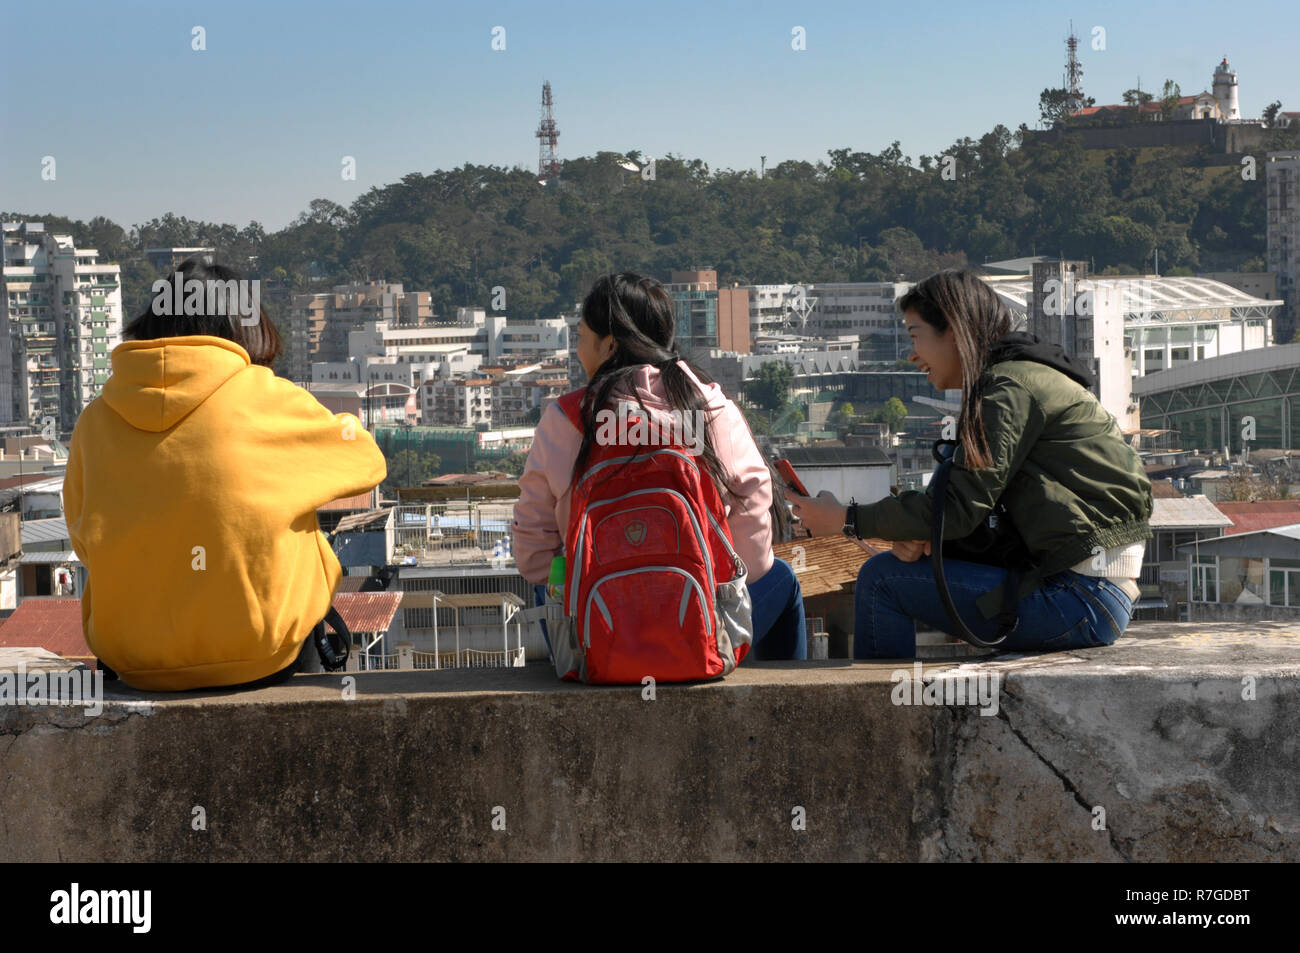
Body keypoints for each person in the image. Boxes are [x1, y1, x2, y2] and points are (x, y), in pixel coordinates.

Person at [790, 268, 1152, 658]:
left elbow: (958, 510)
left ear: (954, 331)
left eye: (915, 336)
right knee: (893, 573)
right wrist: (926, 536)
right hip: (1088, 589)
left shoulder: (1007, 390)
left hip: (1081, 596)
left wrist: (846, 519)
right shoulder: (1018, 379)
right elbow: (976, 508)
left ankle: (882, 712)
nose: (912, 355)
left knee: (883, 580)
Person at [63, 257, 386, 690]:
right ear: (244, 328)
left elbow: (83, 537)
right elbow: (367, 461)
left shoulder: (94, 421)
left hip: (131, 663)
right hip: (263, 657)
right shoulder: (268, 399)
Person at [512, 272, 806, 660]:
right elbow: (754, 514)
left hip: (591, 642)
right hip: (699, 630)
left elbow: (532, 548)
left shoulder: (566, 419)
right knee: (783, 577)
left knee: (547, 584)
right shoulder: (711, 408)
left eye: (580, 338)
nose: (577, 349)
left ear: (609, 345)